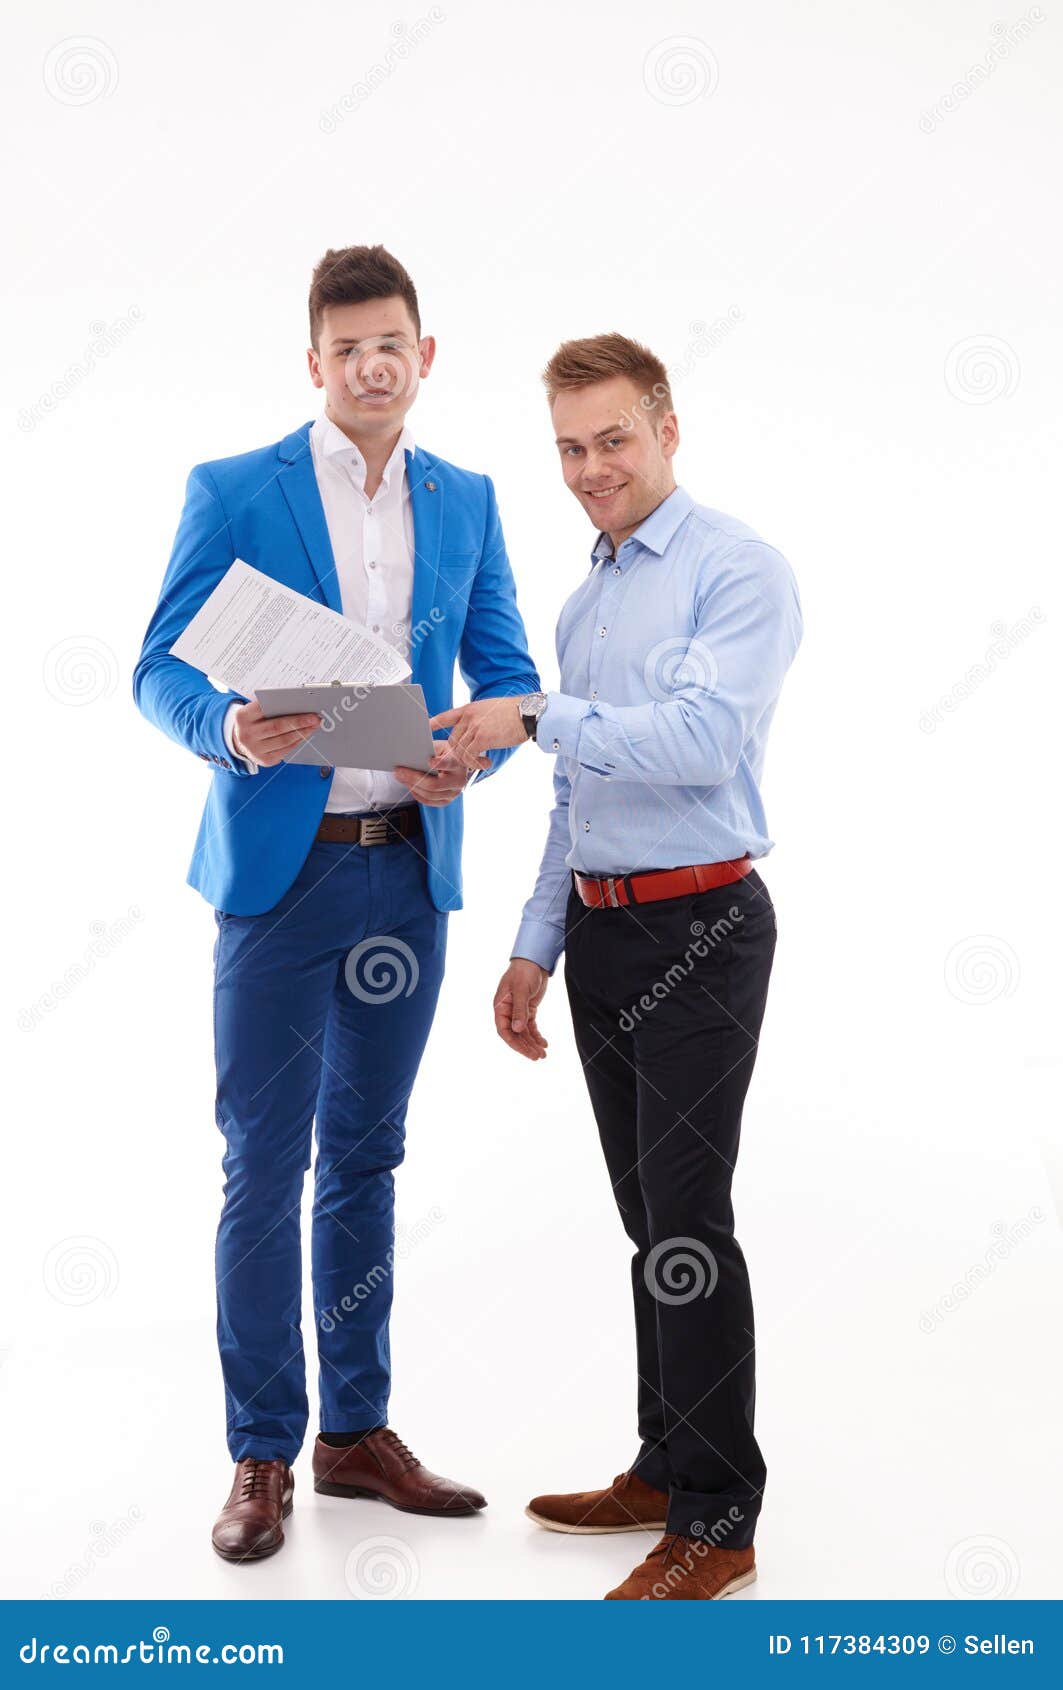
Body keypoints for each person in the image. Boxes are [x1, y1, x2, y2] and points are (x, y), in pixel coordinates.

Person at [133, 244, 539, 1563]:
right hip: (280, 875)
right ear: (314, 363)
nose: (370, 364)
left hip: (403, 866)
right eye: (345, 346)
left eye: (392, 344)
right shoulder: (234, 489)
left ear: (424, 357)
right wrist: (228, 730)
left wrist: (479, 739)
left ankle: (354, 1433)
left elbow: (511, 672)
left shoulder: (467, 498)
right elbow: (157, 669)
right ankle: (261, 1450)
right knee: (264, 1161)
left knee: (366, 1153)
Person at [433, 332, 802, 1600]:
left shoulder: (735, 570)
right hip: (604, 930)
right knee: (650, 1224)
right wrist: (536, 945)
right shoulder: (584, 601)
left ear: (667, 428)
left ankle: (716, 1520)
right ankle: (661, 1462)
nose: (592, 469)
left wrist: (532, 714)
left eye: (614, 440)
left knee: (690, 1220)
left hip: (704, 930)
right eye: (570, 449)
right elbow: (574, 793)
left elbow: (699, 743)